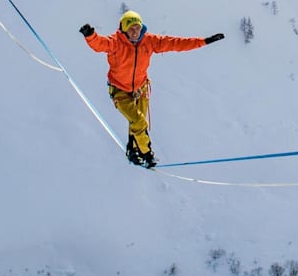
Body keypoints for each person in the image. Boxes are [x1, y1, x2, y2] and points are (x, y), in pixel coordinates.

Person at [80, 10, 224, 168]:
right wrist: (90, 35)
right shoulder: (116, 42)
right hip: (119, 90)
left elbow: (175, 43)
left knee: (137, 121)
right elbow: (100, 44)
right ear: (123, 29)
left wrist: (204, 41)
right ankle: (146, 153)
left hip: (140, 88)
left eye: (137, 28)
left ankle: (133, 150)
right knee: (138, 121)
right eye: (131, 28)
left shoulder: (149, 41)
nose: (135, 32)